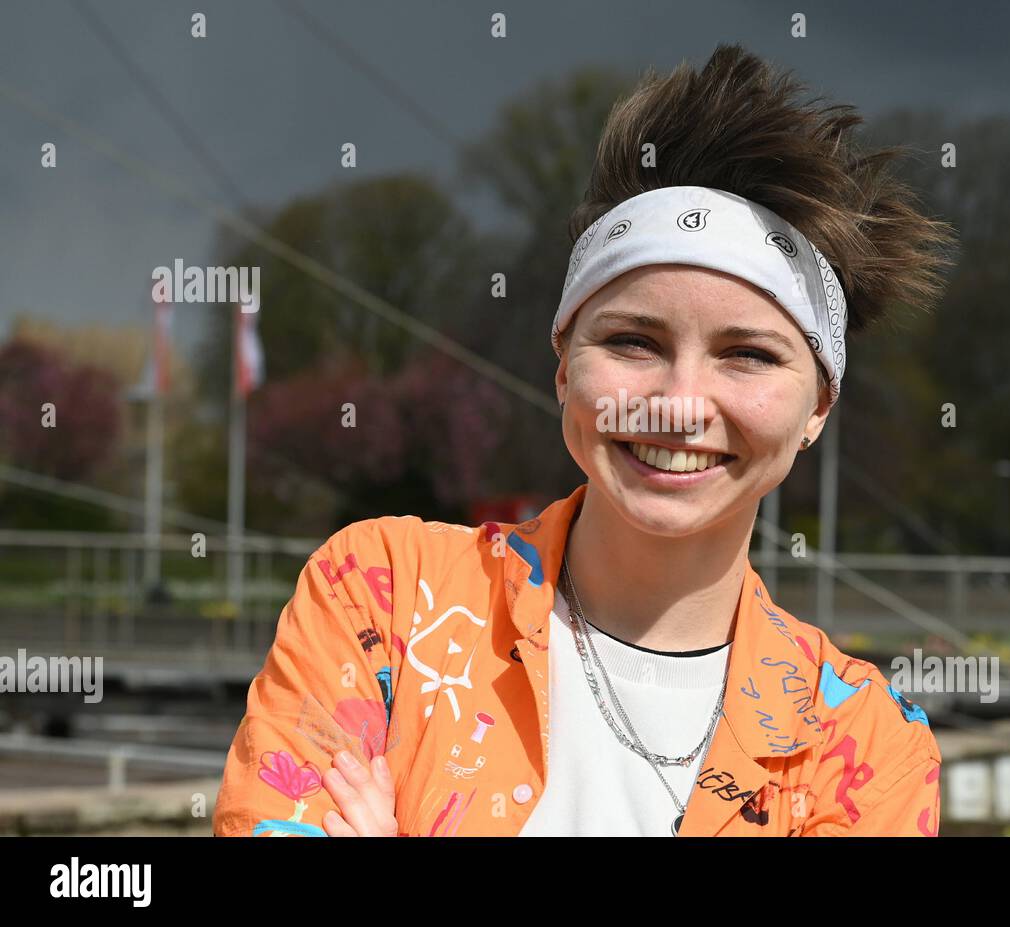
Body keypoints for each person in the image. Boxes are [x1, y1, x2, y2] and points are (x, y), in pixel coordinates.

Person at [213, 42, 952, 838]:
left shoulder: (863, 750)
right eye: (634, 341)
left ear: (818, 408)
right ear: (564, 365)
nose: (678, 404)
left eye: (747, 354)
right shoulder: (385, 596)